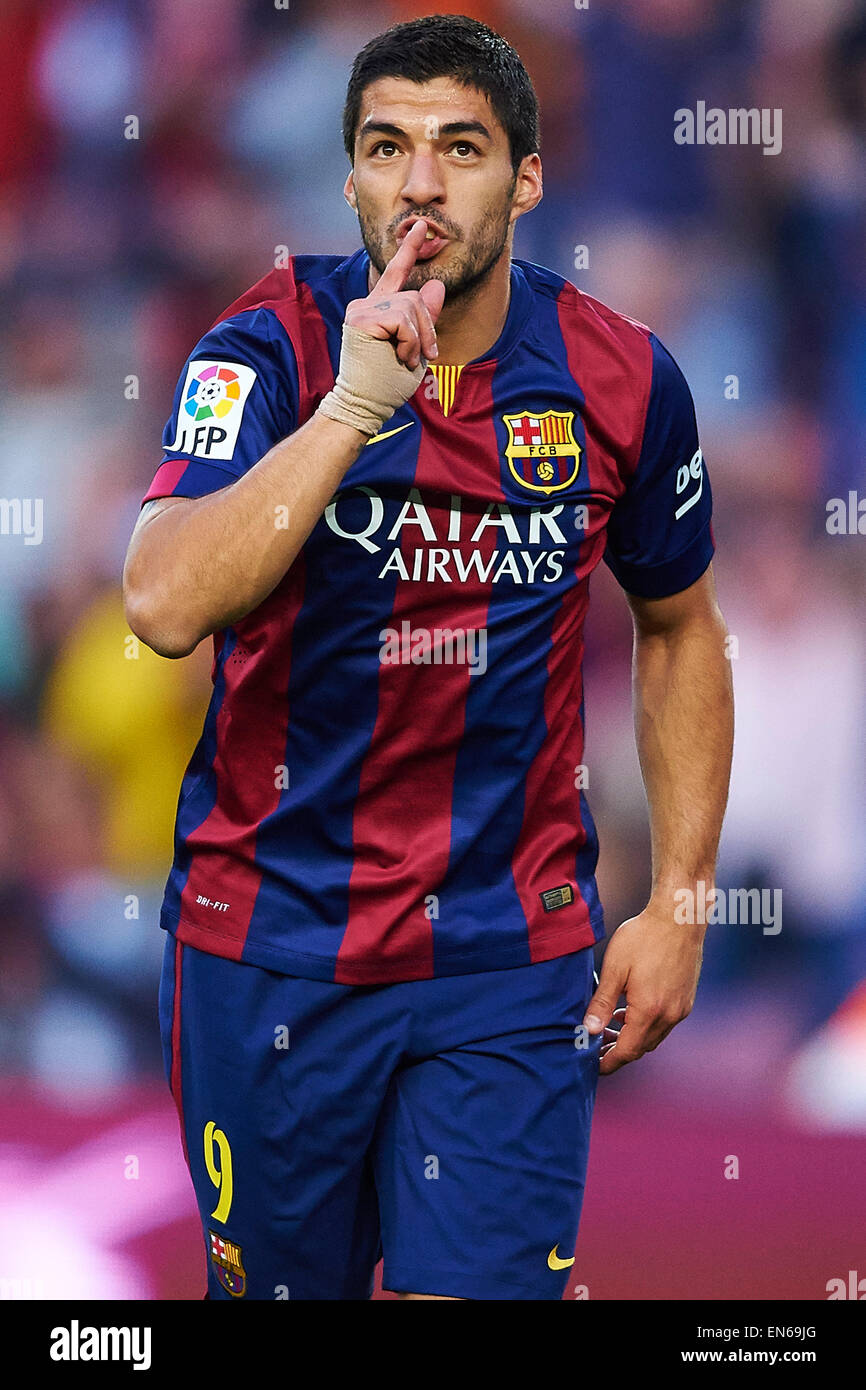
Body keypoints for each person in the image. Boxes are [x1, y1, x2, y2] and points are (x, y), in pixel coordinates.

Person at [122, 14, 733, 1301]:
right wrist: (349, 413)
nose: (417, 185)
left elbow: (679, 626)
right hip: (272, 942)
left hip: (505, 959)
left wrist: (679, 898)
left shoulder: (620, 377)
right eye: (385, 147)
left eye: (459, 147)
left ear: (524, 176)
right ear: (345, 176)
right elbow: (165, 602)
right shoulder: (267, 349)